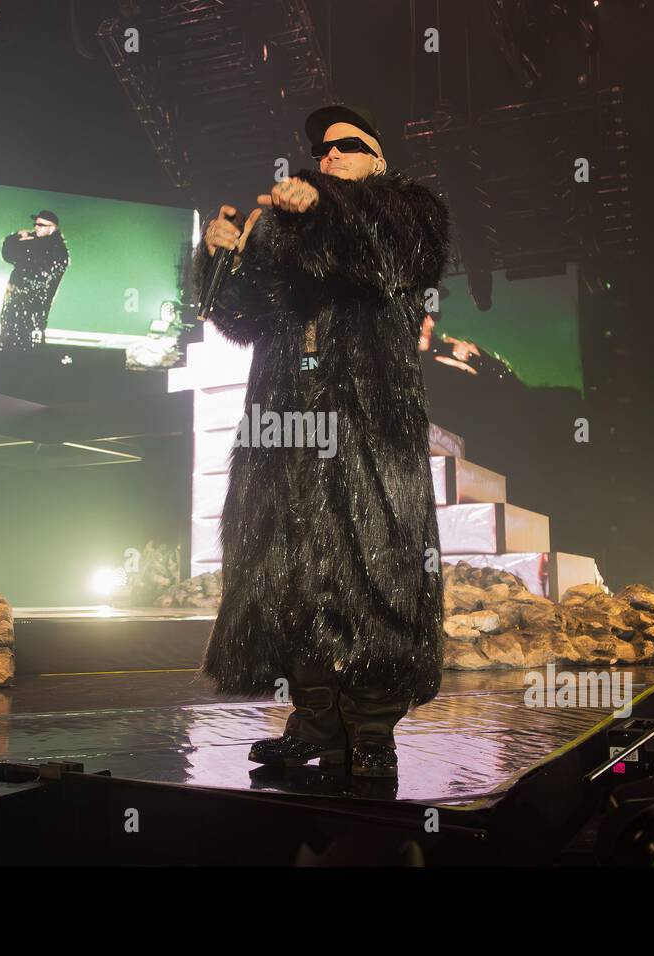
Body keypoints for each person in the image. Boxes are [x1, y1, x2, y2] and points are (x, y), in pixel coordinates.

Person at [193, 105, 451, 777]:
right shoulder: (283, 223)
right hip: (285, 424)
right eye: (321, 149)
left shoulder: (409, 209)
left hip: (368, 427)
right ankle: (313, 720)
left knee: (376, 572)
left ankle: (370, 731)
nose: (328, 154)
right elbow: (247, 319)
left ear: (379, 158)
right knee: (291, 576)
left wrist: (325, 207)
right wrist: (222, 258)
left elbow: (388, 267)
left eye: (346, 146)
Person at [0, 209, 69, 351]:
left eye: (41, 225)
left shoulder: (56, 251)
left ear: (52, 228)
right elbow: (8, 255)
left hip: (32, 306)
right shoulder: (34, 243)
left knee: (27, 341)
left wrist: (21, 242)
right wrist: (17, 237)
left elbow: (42, 278)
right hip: (18, 302)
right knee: (12, 336)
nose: (36, 227)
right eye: (36, 223)